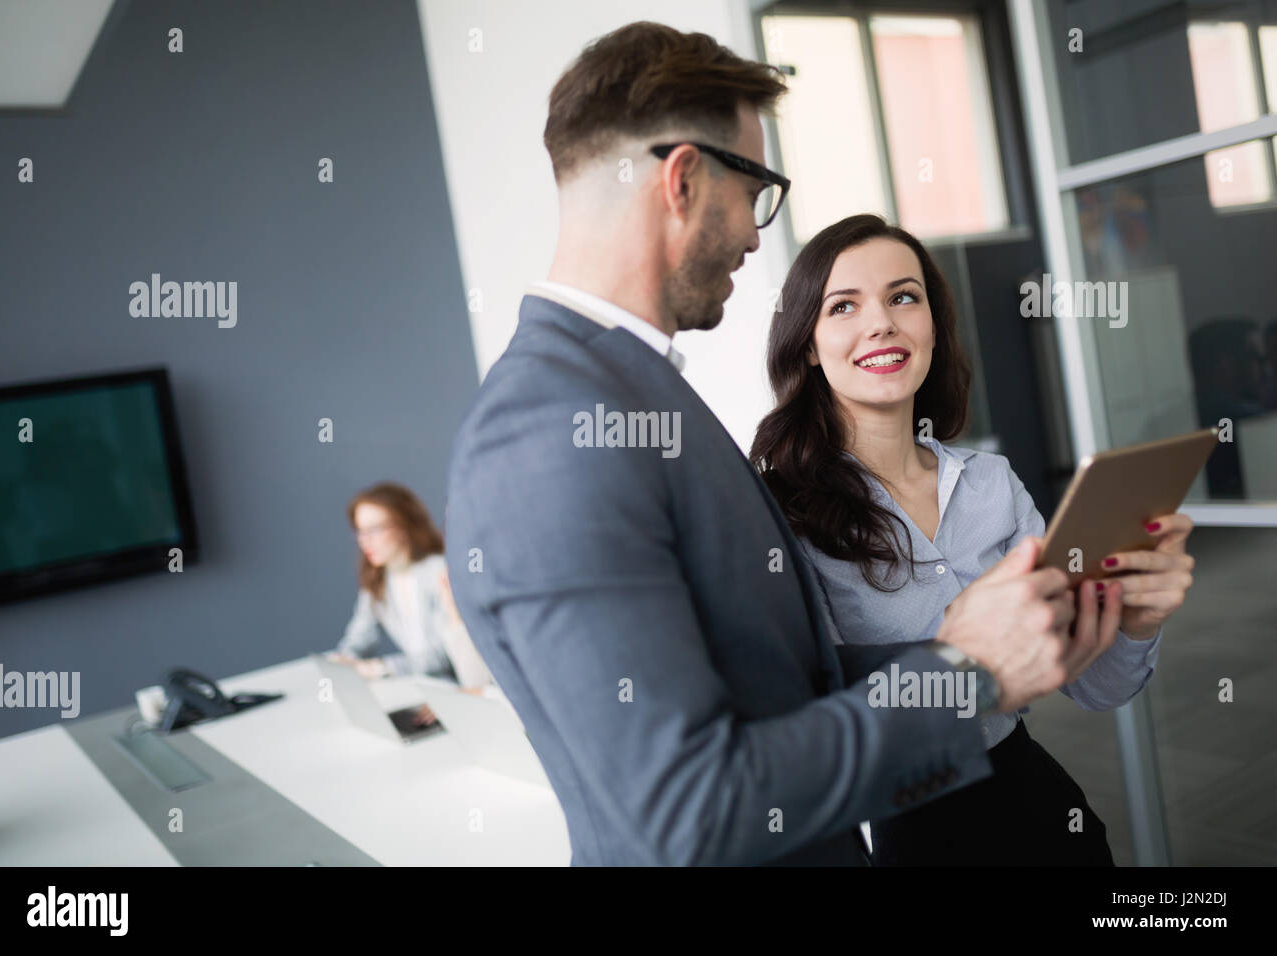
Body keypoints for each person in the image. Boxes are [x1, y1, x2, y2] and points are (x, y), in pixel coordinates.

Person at [445, 21, 1119, 866]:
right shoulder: (549, 434)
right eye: (757, 188)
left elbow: (779, 676)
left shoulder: (634, 390)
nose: (759, 236)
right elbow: (686, 811)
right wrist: (965, 673)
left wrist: (1002, 635)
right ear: (684, 180)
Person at [750, 214, 1197, 864]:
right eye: (843, 306)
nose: (882, 323)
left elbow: (1095, 687)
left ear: (933, 324)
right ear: (809, 344)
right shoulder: (779, 514)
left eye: (904, 296)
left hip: (1036, 801)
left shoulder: (991, 483)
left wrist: (1134, 621)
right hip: (909, 824)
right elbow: (804, 726)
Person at [331, 482, 492, 725]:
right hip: (420, 687)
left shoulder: (439, 572)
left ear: (404, 526)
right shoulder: (377, 578)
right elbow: (359, 638)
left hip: (458, 690)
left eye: (375, 529)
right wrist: (343, 663)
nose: (366, 541)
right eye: (360, 531)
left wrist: (381, 668)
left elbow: (445, 656)